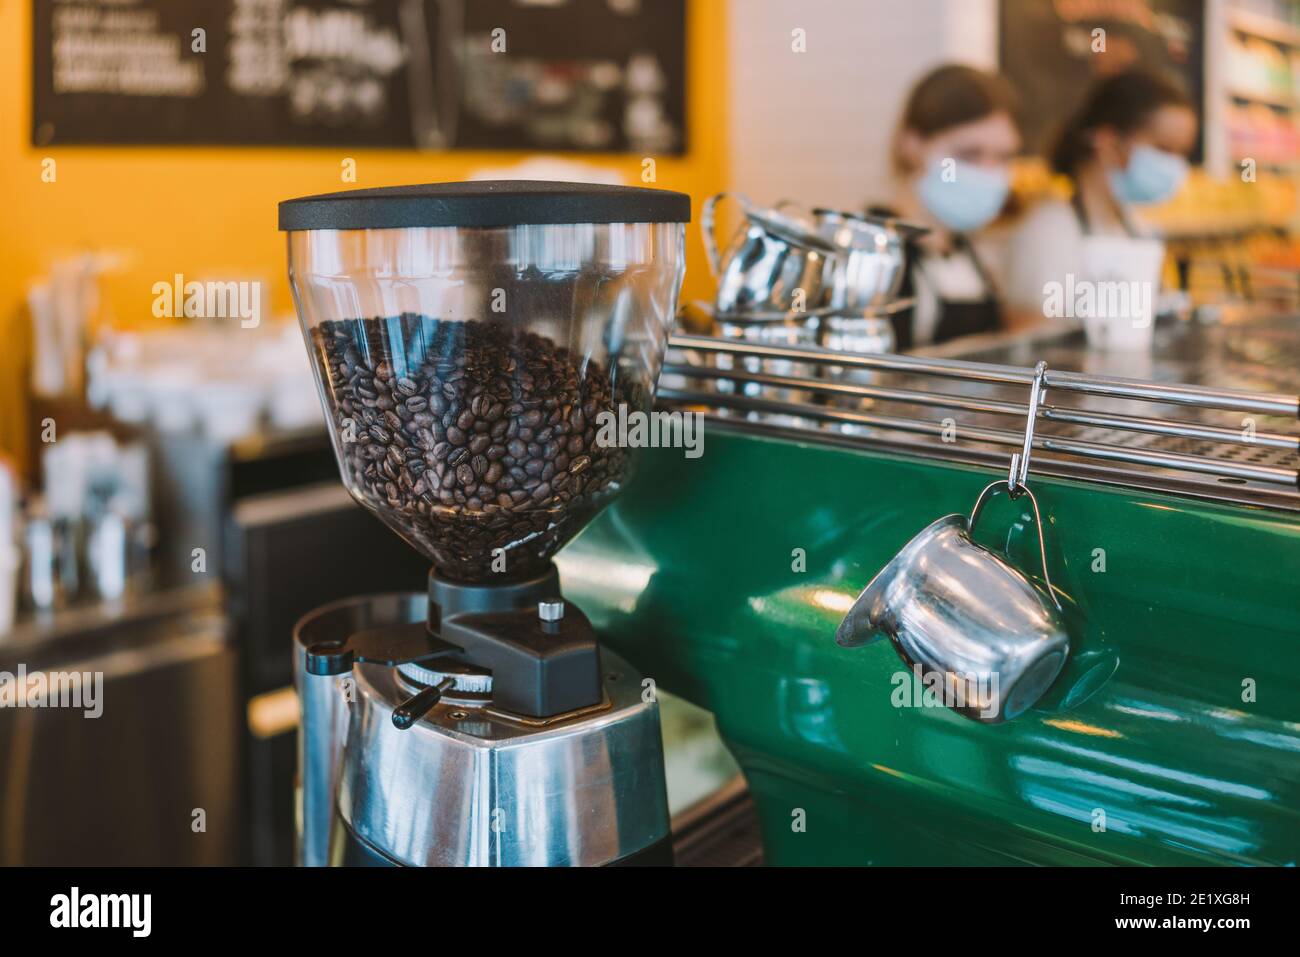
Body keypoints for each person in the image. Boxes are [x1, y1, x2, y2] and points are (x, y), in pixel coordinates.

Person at [1006, 70, 1198, 324]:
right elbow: (1029, 341)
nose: (1175, 165)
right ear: (1108, 142)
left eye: (1181, 153)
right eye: (1164, 148)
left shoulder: (1136, 225)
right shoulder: (1050, 230)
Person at [873, 64, 1022, 350]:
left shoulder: (967, 252)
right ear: (913, 144)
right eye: (969, 154)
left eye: (1003, 157)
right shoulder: (877, 252)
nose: (988, 173)